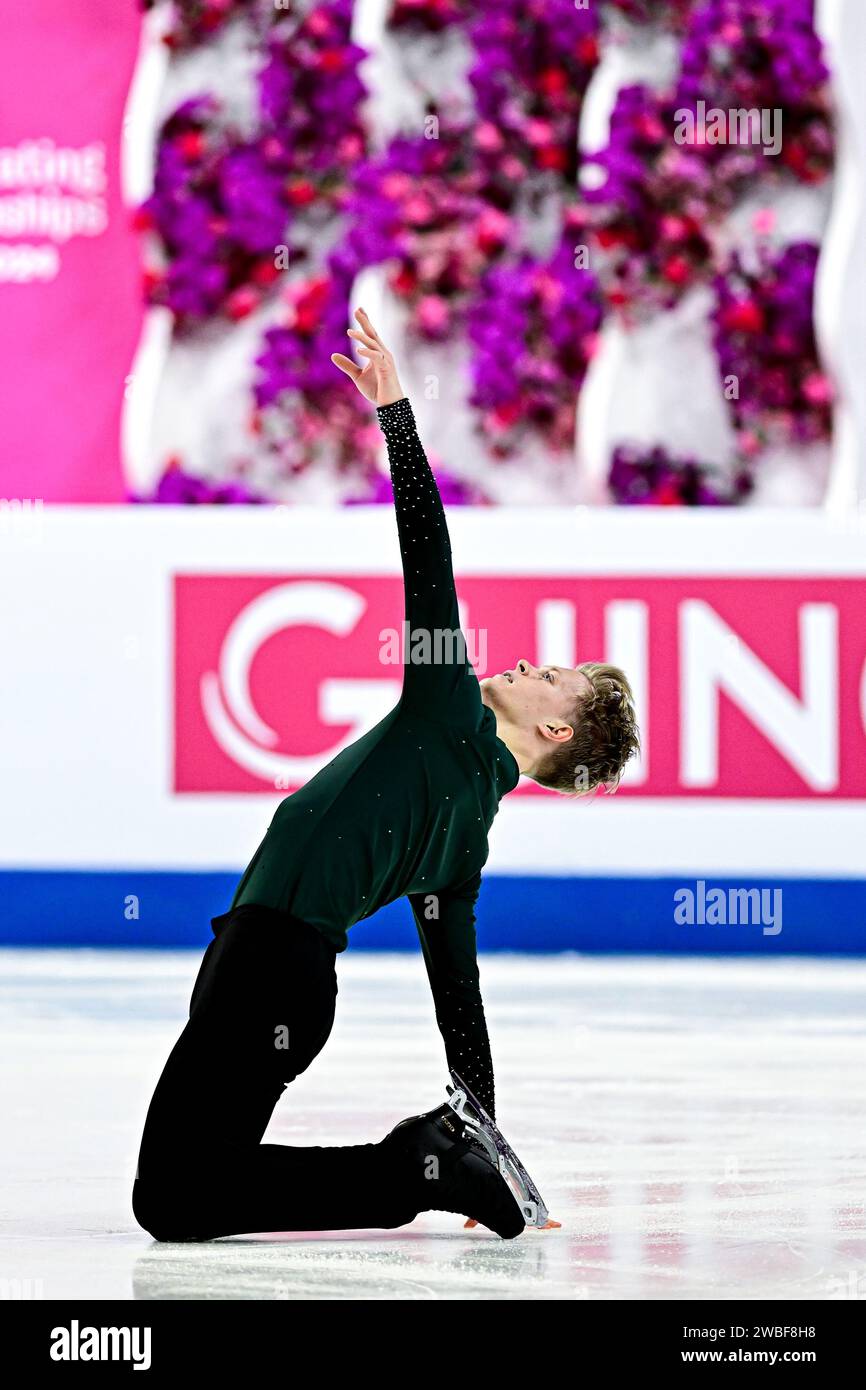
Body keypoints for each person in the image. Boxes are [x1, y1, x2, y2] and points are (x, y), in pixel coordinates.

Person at [132, 309, 640, 1244]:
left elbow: (427, 559)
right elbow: (460, 997)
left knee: (174, 1199)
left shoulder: (449, 711)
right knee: (184, 1191)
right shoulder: (466, 838)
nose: (528, 665)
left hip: (270, 971)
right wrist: (488, 1123)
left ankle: (421, 1168)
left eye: (549, 676)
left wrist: (398, 419)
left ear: (558, 727)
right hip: (270, 972)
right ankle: (431, 1162)